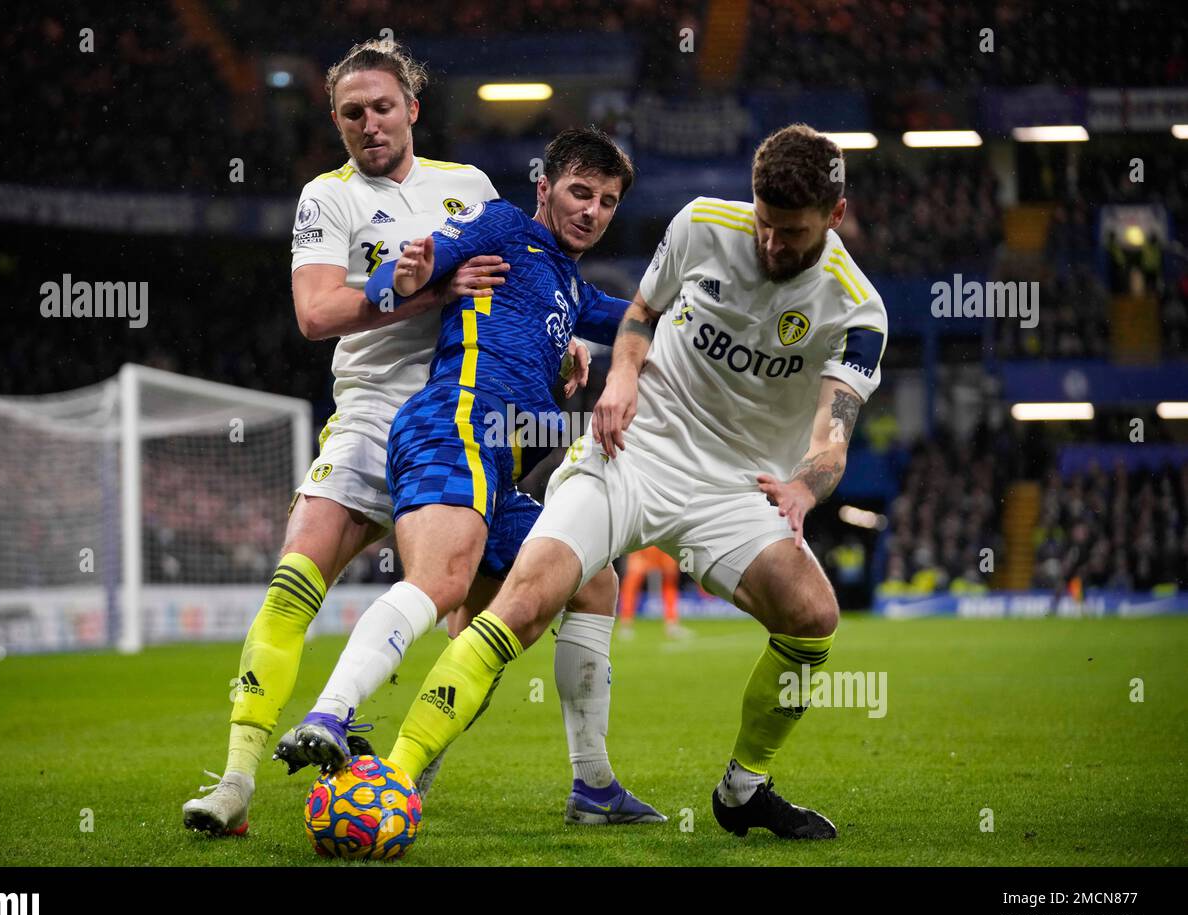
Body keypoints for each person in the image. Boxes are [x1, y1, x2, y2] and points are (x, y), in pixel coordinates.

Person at [383, 123, 889, 841]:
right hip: (632, 449)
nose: (773, 245)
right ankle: (398, 779)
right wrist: (620, 379)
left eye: (794, 234)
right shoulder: (701, 225)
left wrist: (806, 487)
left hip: (735, 488)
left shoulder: (857, 309)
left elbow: (831, 437)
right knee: (523, 603)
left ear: (834, 218)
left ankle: (744, 789)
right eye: (766, 225)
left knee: (813, 618)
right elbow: (642, 314)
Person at [182, 38, 580, 835]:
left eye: (383, 107)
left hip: (466, 412)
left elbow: (526, 273)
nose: (370, 123)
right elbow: (315, 314)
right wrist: (428, 294)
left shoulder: (466, 186)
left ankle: (408, 776)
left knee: (493, 612)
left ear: (413, 110)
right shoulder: (326, 198)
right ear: (336, 121)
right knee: (295, 577)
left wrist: (556, 338)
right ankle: (233, 786)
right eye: (352, 113)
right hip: (369, 412)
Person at [277, 127, 667, 825]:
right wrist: (406, 271)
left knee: (590, 579)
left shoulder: (573, 291)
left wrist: (730, 319)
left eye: (607, 201)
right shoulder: (503, 225)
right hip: (450, 424)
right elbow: (424, 263)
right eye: (580, 192)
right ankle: (329, 716)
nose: (592, 211)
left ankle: (591, 786)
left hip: (496, 471)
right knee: (441, 581)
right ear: (545, 188)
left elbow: (644, 323)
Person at [618, 546, 693, 639]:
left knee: (670, 580)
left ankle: (672, 625)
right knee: (632, 581)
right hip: (643, 543)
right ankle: (626, 625)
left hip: (663, 543)